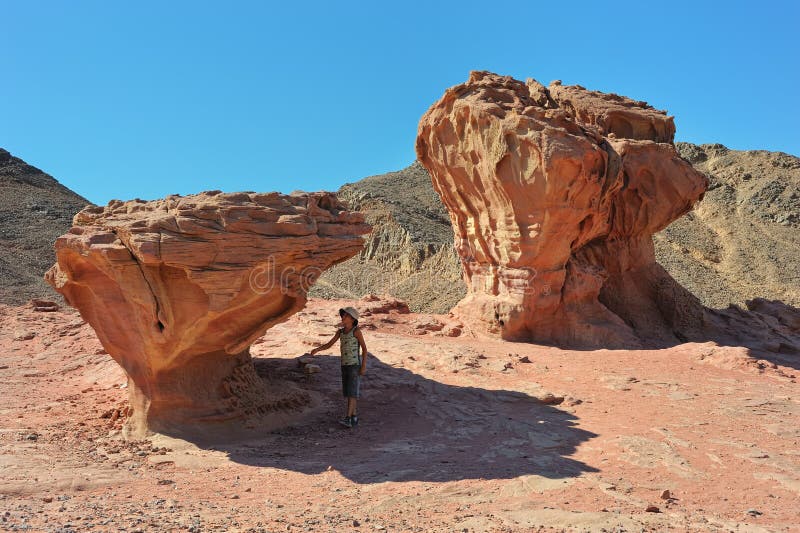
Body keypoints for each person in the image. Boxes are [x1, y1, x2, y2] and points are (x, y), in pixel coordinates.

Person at [308, 306, 368, 428]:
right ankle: (353, 417)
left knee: (352, 393)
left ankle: (348, 418)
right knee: (349, 392)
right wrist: (317, 349)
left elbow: (365, 349)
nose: (343, 317)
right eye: (343, 315)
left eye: (346, 316)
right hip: (344, 365)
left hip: (354, 365)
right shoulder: (340, 332)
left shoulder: (356, 331)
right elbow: (330, 344)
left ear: (352, 319)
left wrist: (363, 366)